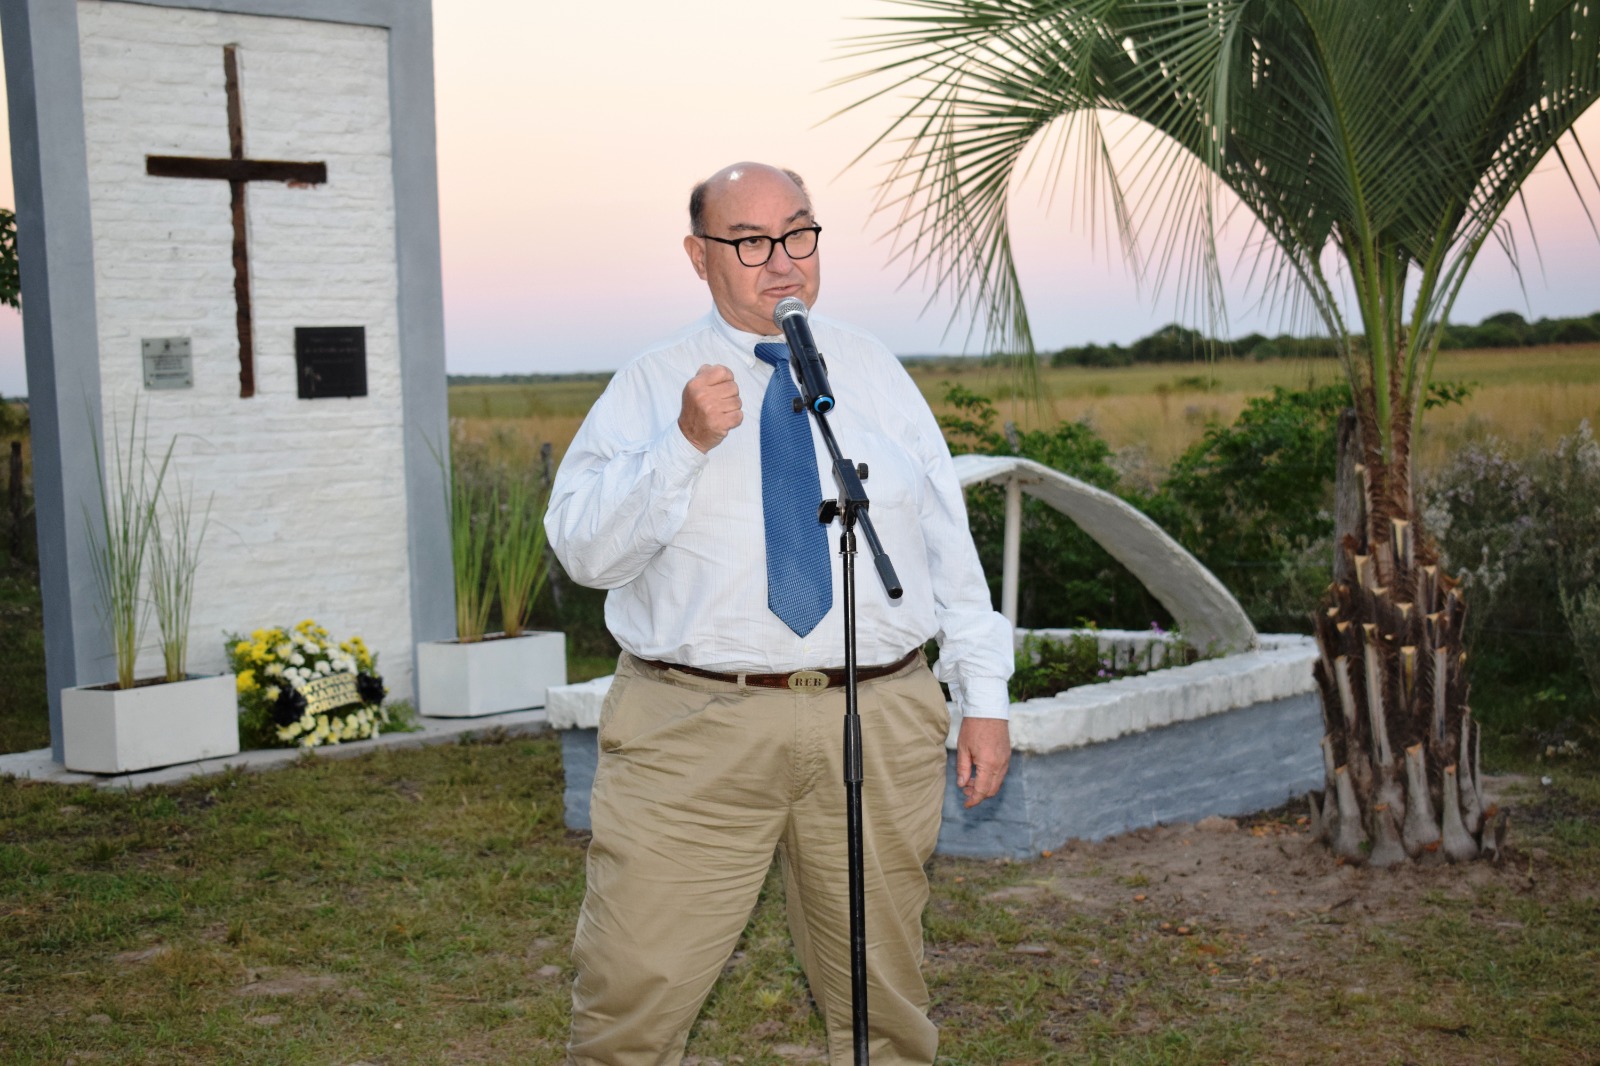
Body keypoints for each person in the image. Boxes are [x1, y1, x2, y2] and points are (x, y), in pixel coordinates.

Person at [546, 161, 1013, 1065]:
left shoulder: (872, 373)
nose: (781, 261)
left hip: (876, 717)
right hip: (693, 729)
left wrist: (983, 693)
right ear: (699, 255)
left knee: (885, 1004)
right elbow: (584, 553)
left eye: (798, 233)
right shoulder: (652, 385)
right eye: (750, 242)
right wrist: (680, 446)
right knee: (632, 995)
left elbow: (947, 549)